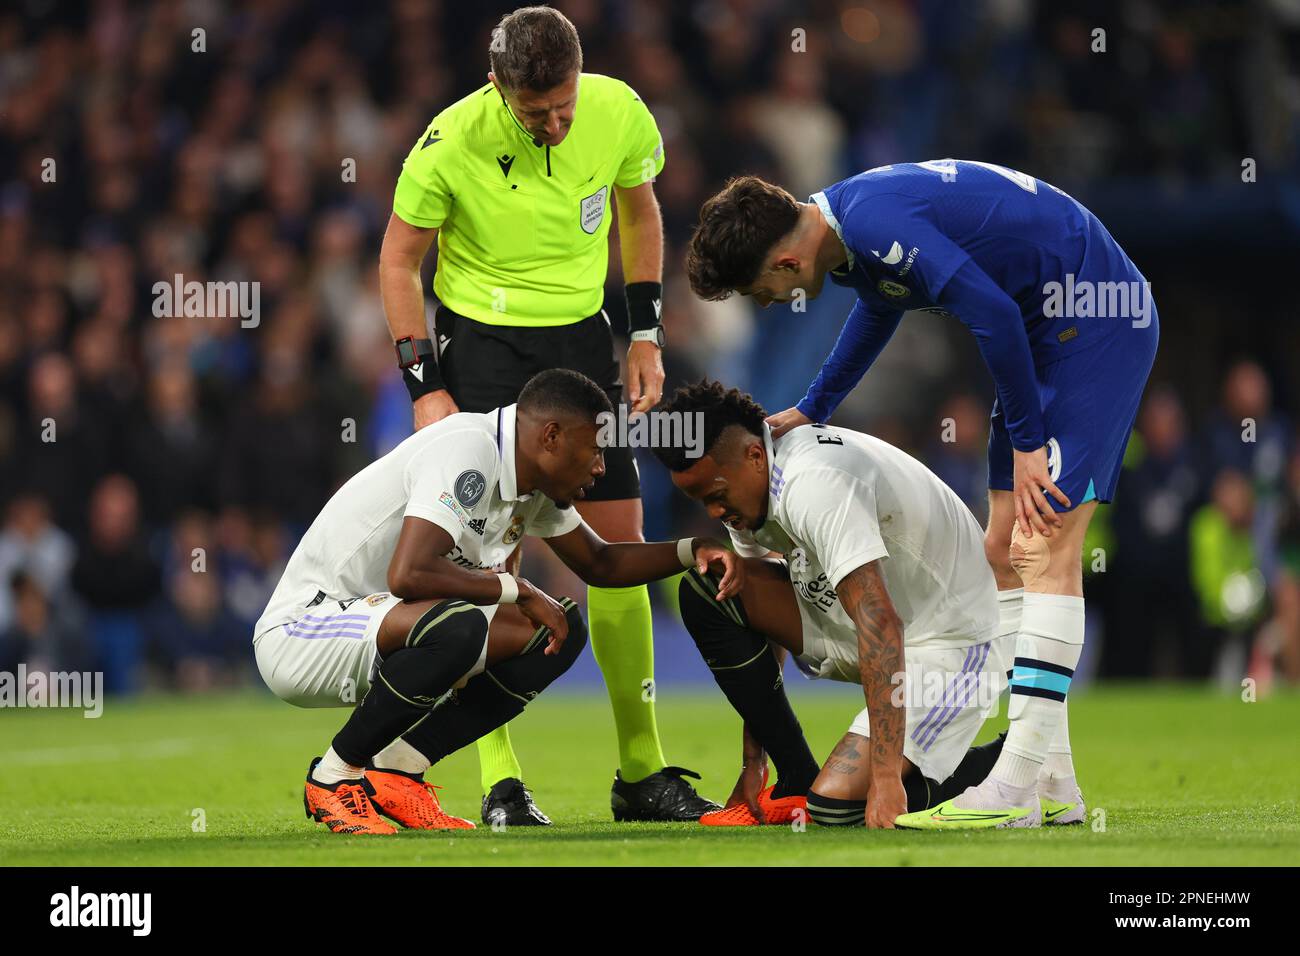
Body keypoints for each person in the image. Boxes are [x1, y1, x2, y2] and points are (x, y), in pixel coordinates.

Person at [686, 161, 1160, 826]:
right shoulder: (848, 239)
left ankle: (1015, 780)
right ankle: (1055, 784)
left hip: (1095, 317)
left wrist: (1027, 443)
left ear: (788, 258)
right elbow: (884, 303)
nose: (765, 301)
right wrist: (816, 403)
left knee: (1043, 544)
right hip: (1043, 334)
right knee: (1004, 551)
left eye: (759, 287)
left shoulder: (874, 226)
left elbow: (990, 309)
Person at [377, 5, 713, 823]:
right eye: (536, 113)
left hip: (580, 347)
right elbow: (396, 258)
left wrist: (644, 335)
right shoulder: (450, 140)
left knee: (621, 540)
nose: (556, 123)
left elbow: (640, 212)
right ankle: (500, 782)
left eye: (563, 105)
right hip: (481, 347)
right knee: (492, 565)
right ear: (498, 87)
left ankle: (640, 771)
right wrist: (423, 383)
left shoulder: (618, 110)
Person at [253, 370, 740, 835]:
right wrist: (519, 589)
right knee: (459, 625)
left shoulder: (531, 483)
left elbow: (602, 564)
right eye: (594, 450)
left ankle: (398, 770)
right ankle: (334, 778)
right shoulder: (468, 450)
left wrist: (691, 550)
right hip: (304, 630)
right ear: (550, 437)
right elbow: (410, 572)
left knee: (556, 632)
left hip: (381, 621)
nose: (599, 466)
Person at [653, 381, 1011, 829]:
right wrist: (753, 760)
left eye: (716, 496)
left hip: (949, 640)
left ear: (754, 456)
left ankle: (1012, 763)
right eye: (700, 499)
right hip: (856, 624)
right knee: (713, 587)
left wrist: (884, 778)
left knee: (835, 808)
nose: (712, 512)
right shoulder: (748, 487)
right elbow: (757, 623)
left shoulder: (815, 482)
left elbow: (880, 621)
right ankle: (794, 777)